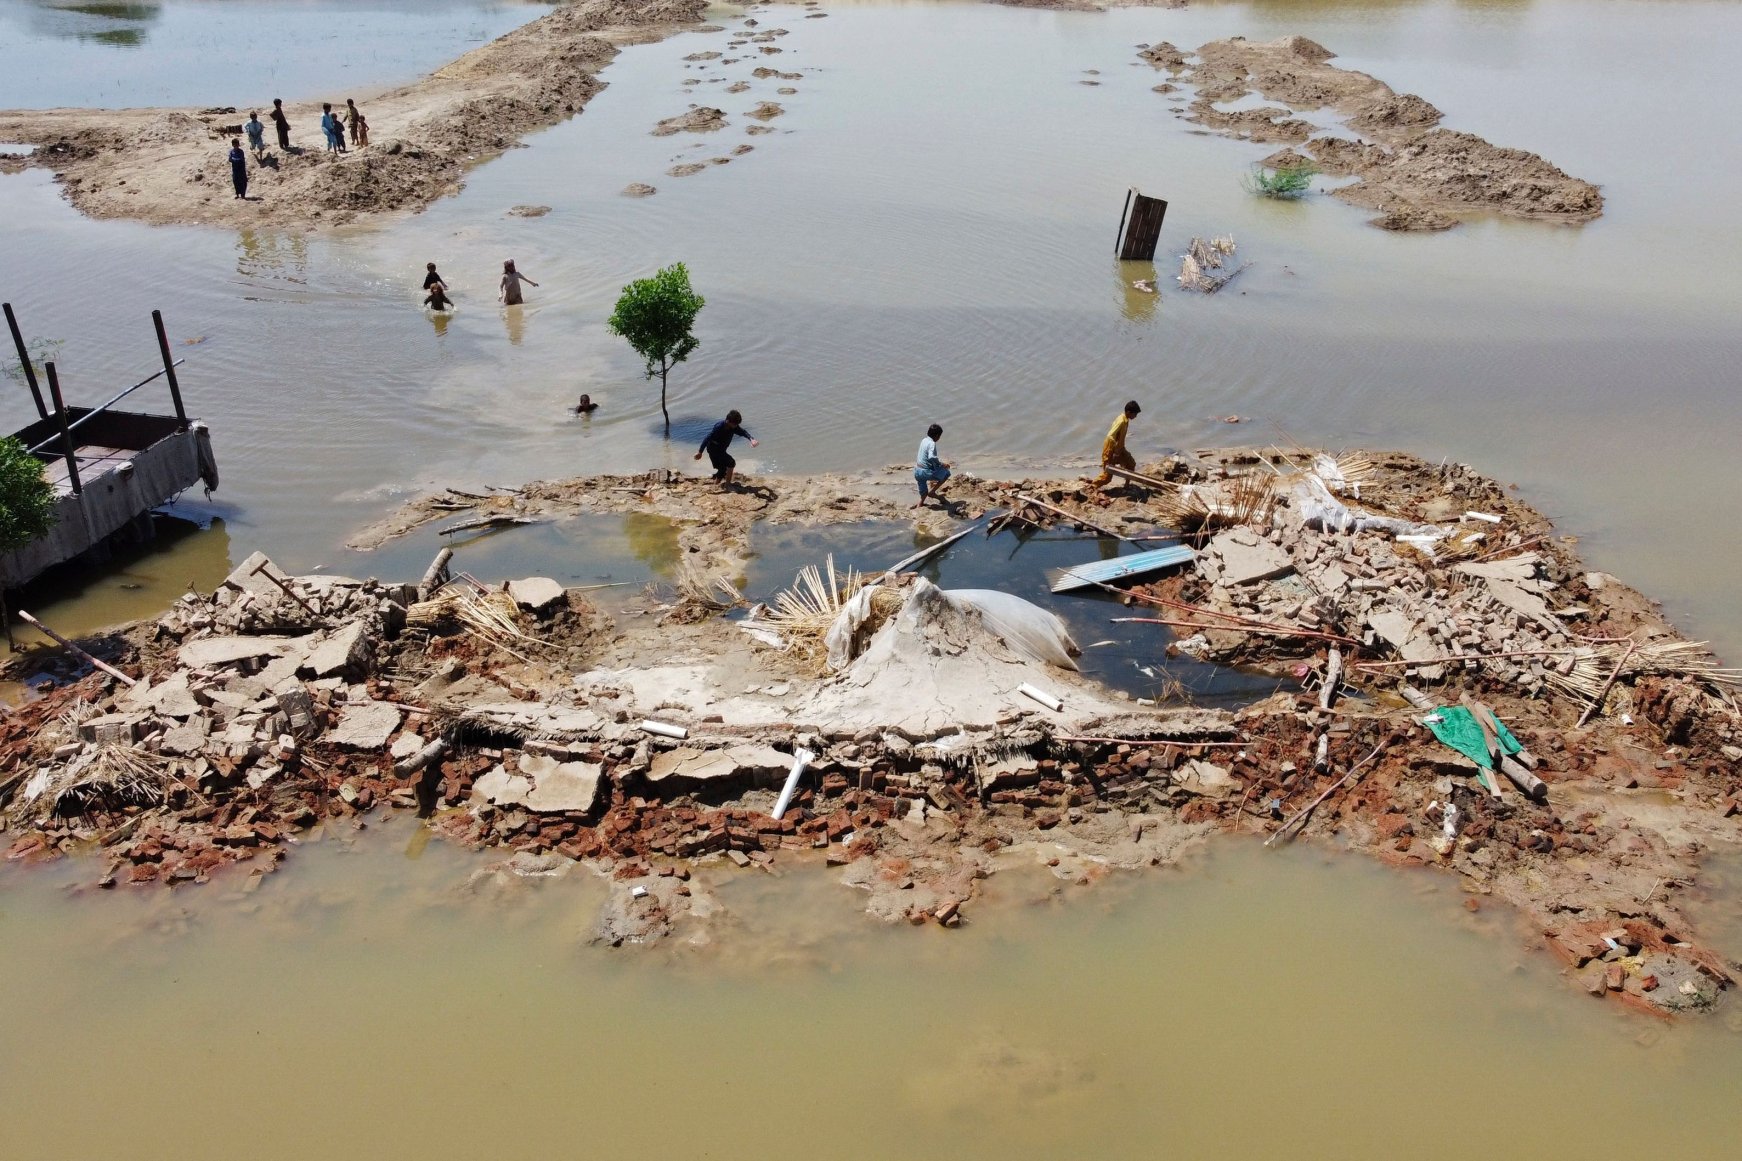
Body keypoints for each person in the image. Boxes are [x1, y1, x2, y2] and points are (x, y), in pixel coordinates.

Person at [694, 410, 757, 487]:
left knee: (722, 469)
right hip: (714, 449)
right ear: (728, 421)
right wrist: (700, 452)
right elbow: (707, 438)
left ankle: (716, 485)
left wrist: (751, 439)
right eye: (735, 424)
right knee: (731, 463)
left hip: (721, 449)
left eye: (737, 424)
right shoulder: (719, 427)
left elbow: (743, 432)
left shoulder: (734, 426)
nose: (736, 426)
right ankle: (728, 485)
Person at [1091, 400, 1142, 488]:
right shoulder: (1121, 421)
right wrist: (1115, 451)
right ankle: (1092, 487)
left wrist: (1120, 449)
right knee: (1107, 477)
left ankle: (1126, 486)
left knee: (1131, 464)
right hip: (1110, 448)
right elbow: (1110, 435)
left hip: (1120, 448)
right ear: (1128, 412)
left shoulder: (1126, 420)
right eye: (1135, 414)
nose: (1136, 416)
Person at [912, 423, 951, 509]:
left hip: (917, 471)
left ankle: (920, 504)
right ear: (937, 435)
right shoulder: (932, 443)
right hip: (926, 472)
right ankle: (932, 492)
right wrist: (942, 464)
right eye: (940, 436)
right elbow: (931, 457)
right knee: (947, 473)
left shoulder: (924, 440)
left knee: (923, 491)